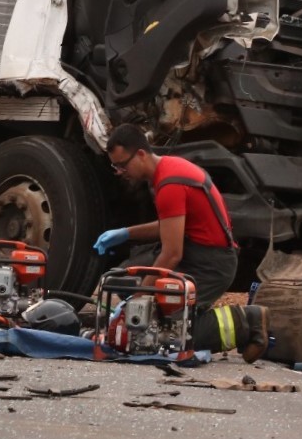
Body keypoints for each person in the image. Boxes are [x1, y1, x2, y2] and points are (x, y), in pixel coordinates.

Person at [94, 122, 269, 362]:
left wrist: (138, 300)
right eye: (116, 166)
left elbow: (172, 253)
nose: (121, 171)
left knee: (168, 332)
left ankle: (248, 321)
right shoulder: (168, 171)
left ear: (142, 154)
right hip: (201, 254)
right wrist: (126, 233)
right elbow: (171, 227)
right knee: (131, 283)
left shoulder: (170, 185)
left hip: (211, 264)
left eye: (123, 164)